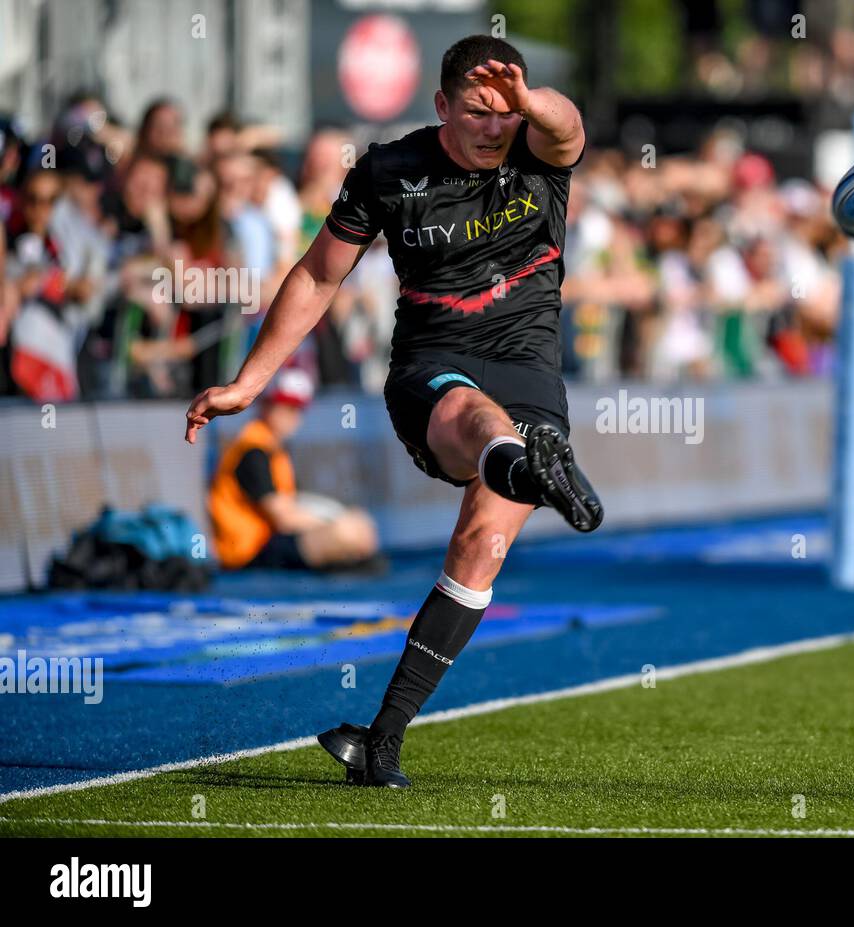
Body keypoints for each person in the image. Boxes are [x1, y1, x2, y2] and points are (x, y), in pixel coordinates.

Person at [184, 35, 603, 788]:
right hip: (431, 369)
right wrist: (249, 381)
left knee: (480, 547)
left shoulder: (537, 150)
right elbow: (317, 274)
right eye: (477, 111)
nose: (493, 125)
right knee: (478, 419)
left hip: (531, 370)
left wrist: (528, 103)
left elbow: (567, 126)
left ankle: (382, 741)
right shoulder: (388, 169)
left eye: (507, 111)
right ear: (442, 105)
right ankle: (530, 466)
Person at [207, 368, 379, 571]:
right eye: (284, 406)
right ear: (266, 405)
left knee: (360, 523)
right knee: (344, 531)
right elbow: (284, 518)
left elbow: (290, 503)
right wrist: (333, 522)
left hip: (268, 541)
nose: (292, 416)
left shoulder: (273, 449)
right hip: (249, 551)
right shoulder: (253, 450)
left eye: (296, 409)